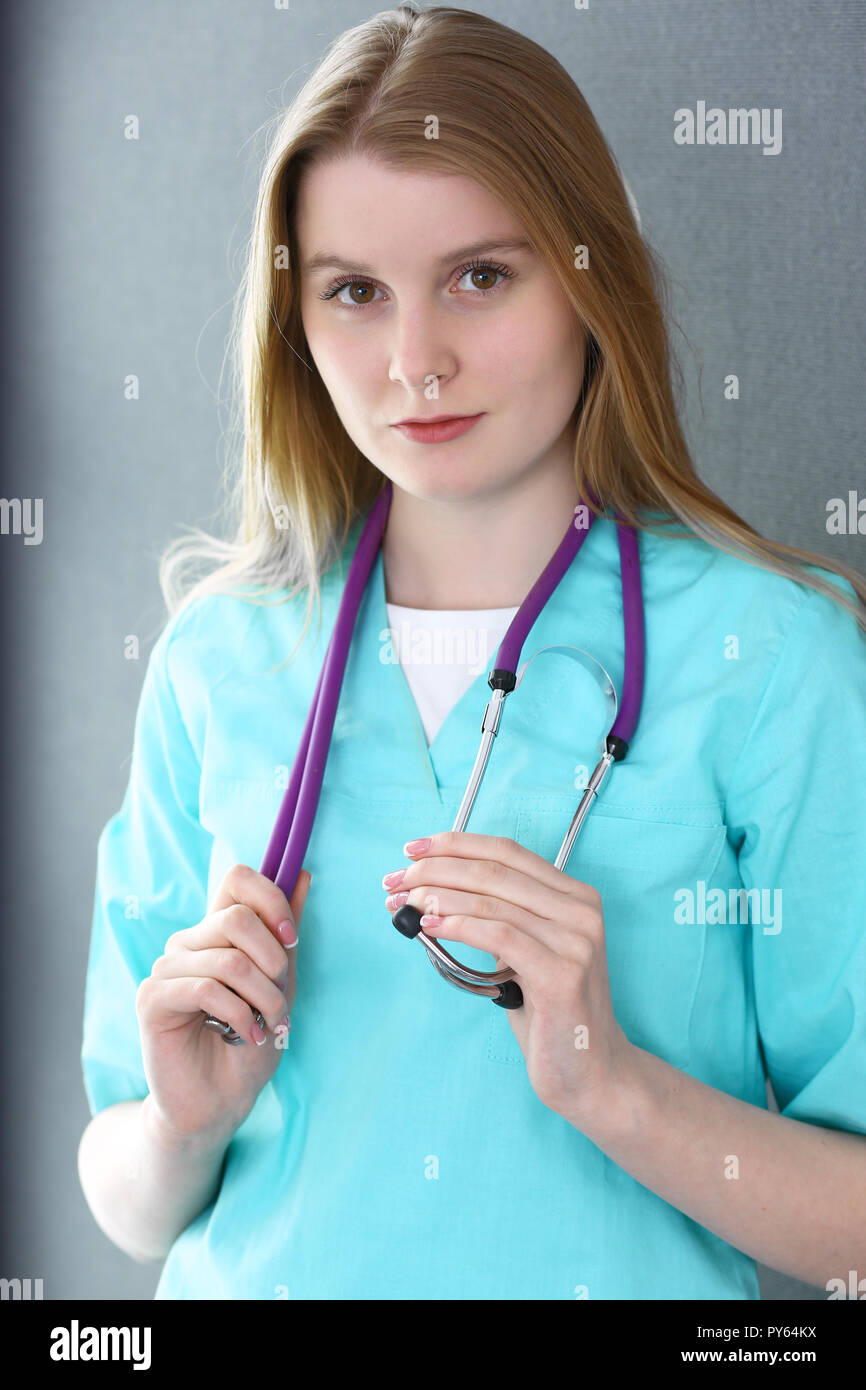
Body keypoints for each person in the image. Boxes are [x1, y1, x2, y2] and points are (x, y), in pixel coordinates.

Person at [77, 3, 866, 1300]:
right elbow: (125, 1196)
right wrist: (183, 1119)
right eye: (352, 292)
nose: (412, 363)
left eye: (479, 276)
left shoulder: (773, 657)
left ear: (587, 275)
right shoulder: (220, 654)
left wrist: (607, 1085)